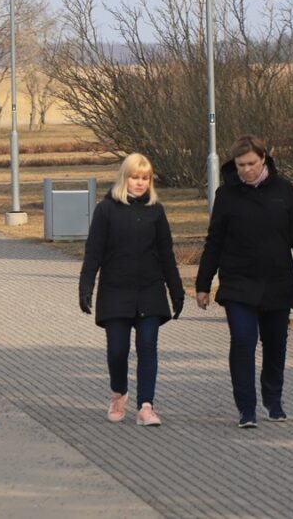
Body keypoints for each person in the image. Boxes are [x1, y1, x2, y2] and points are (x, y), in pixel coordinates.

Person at [195, 135, 293, 429]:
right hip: (238, 283)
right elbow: (213, 243)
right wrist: (203, 285)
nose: (246, 170)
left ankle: (273, 399)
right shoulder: (227, 195)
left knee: (275, 344)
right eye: (241, 165)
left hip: (277, 281)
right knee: (242, 341)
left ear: (264, 159)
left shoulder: (284, 190)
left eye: (252, 163)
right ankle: (246, 408)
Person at [79, 153, 185, 427]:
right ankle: (119, 392)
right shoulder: (106, 210)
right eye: (135, 177)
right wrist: (86, 286)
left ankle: (146, 406)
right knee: (117, 349)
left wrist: (177, 291)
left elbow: (166, 254)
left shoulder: (156, 211)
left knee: (147, 346)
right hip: (116, 289)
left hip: (149, 289)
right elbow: (94, 252)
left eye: (145, 178)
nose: (140, 183)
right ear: (124, 178)